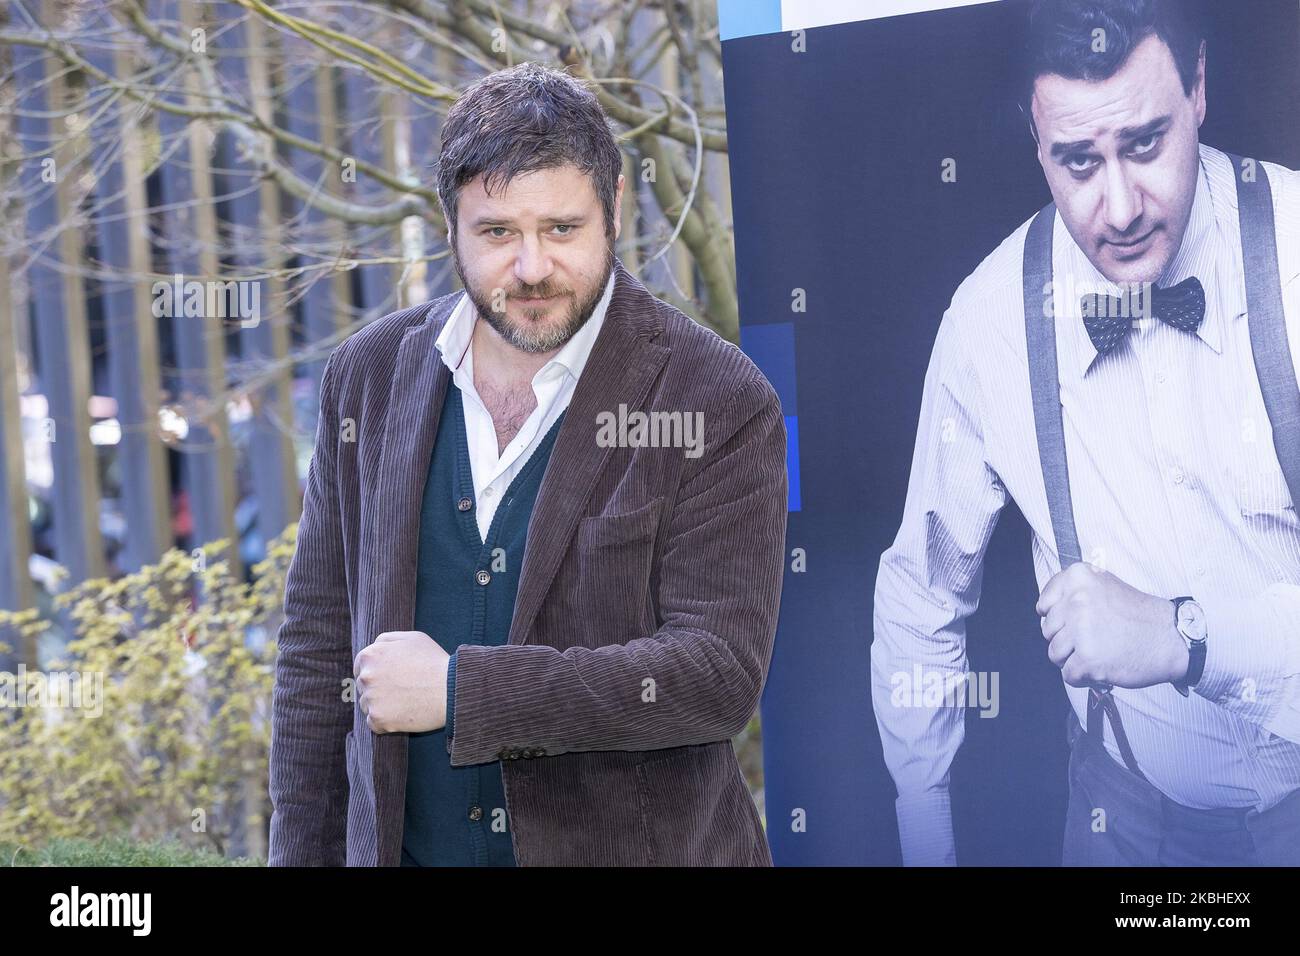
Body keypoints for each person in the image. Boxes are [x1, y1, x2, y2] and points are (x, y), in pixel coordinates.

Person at [268, 62, 787, 866]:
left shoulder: (714, 396)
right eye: (498, 233)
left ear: (614, 209)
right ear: (450, 228)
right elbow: (316, 659)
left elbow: (715, 677)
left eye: (562, 229)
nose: (533, 267)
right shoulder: (366, 378)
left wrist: (461, 694)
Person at [872, 0, 1300, 866]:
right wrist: (925, 839)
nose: (1120, 208)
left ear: (1200, 88)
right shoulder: (987, 325)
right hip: (1123, 826)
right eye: (1078, 161)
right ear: (1037, 140)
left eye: (1145, 144)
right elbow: (922, 596)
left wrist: (1185, 636)